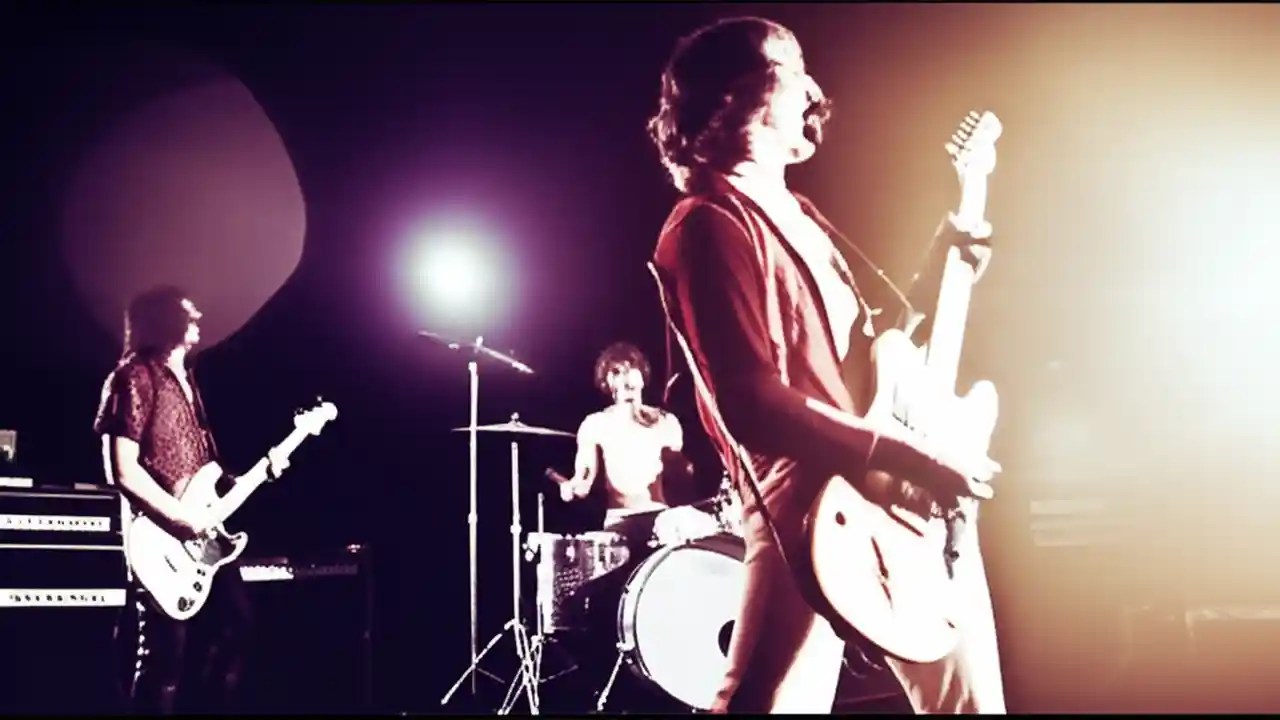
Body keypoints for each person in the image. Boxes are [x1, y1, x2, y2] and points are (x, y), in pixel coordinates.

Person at [646, 17, 1005, 714]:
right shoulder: (708, 223)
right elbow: (750, 401)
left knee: (970, 708)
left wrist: (943, 260)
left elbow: (871, 360)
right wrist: (906, 455)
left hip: (894, 491)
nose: (813, 86)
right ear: (736, 96)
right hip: (808, 499)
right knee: (767, 706)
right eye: (792, 66)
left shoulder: (801, 213)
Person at [93, 285, 285, 714]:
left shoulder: (189, 382)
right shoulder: (133, 376)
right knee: (162, 660)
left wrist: (254, 475)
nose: (198, 314)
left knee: (237, 629)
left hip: (203, 539)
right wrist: (179, 522)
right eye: (186, 310)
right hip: (161, 540)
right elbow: (121, 470)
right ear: (163, 320)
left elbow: (201, 470)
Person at [553, 341, 716, 549]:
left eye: (631, 370)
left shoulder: (667, 422)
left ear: (642, 375)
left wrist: (683, 468)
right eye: (616, 372)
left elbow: (682, 483)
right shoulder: (595, 424)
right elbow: (583, 479)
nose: (625, 378)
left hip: (661, 520)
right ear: (607, 381)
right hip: (621, 522)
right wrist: (572, 488)